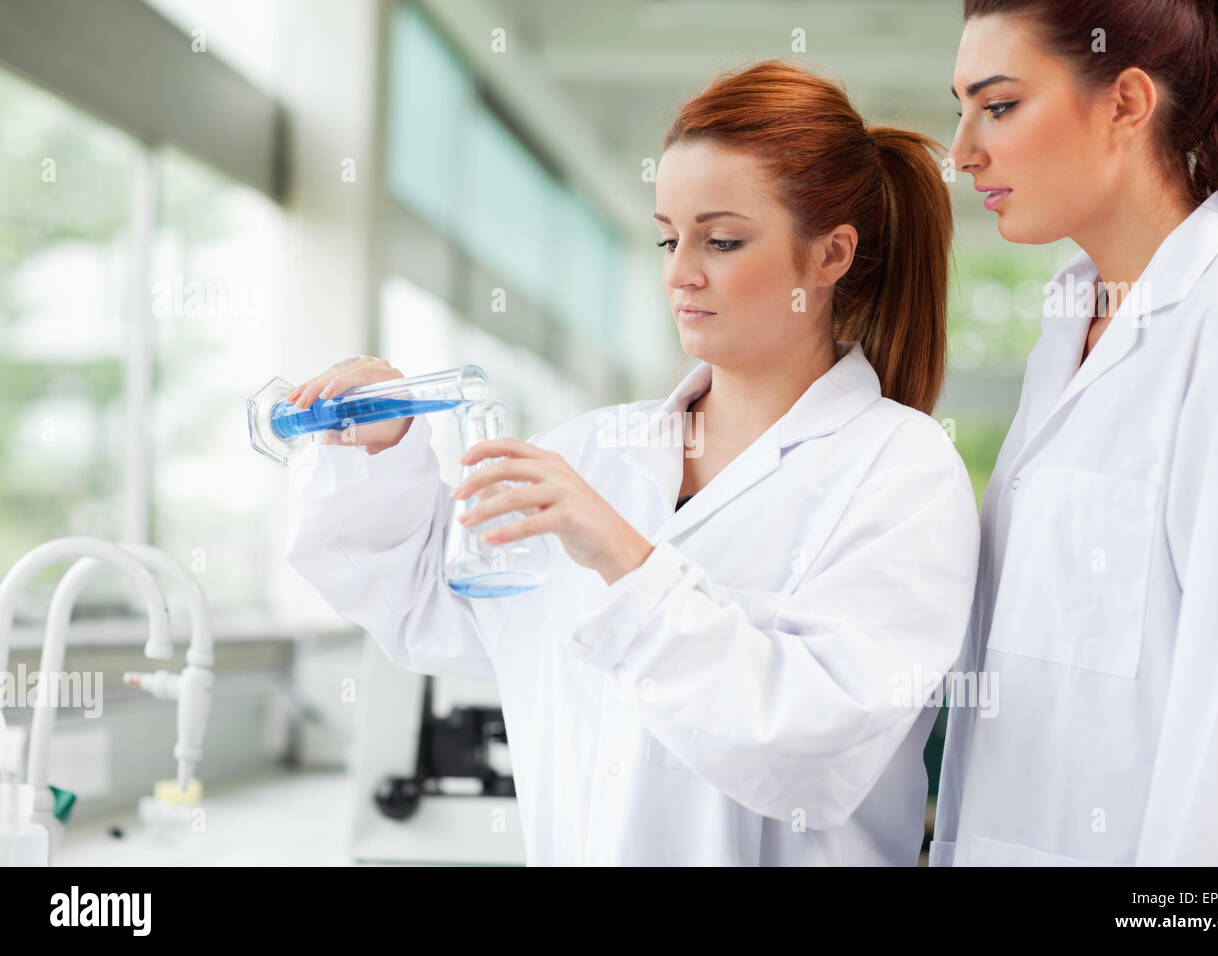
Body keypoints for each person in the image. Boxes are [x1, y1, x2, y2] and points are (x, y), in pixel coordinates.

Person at [285, 60, 979, 865]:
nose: (680, 271)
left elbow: (812, 756)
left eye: (721, 240)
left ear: (829, 257)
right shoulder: (589, 454)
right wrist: (381, 451)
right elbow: (425, 611)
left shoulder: (901, 470)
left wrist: (624, 558)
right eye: (668, 235)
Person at [934, 0, 1218, 865]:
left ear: (1128, 103)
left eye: (999, 105)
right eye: (961, 109)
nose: (962, 152)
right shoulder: (1066, 334)